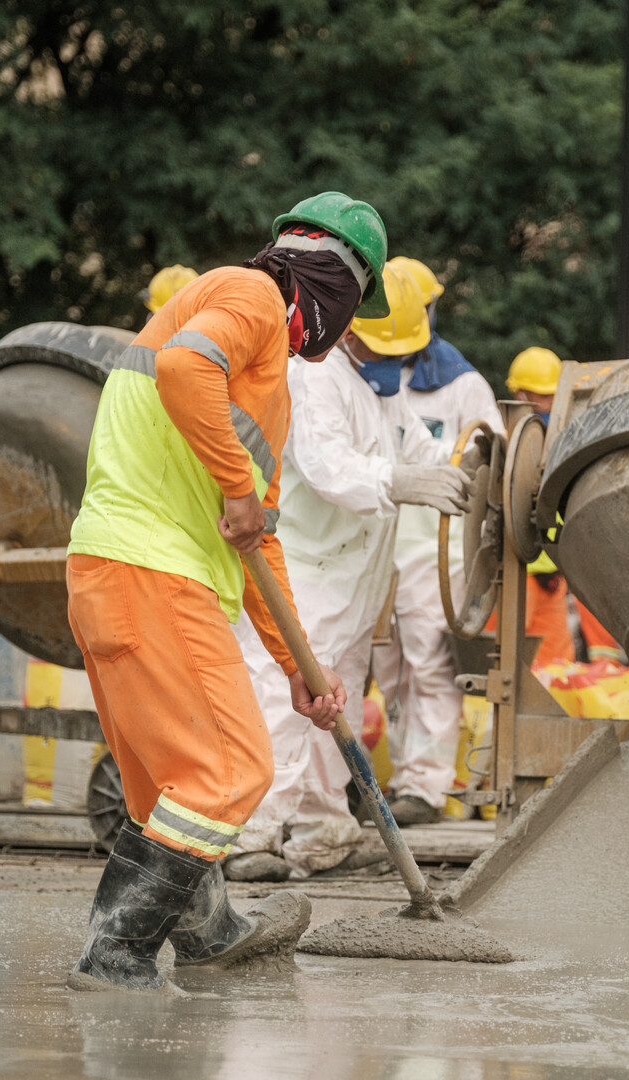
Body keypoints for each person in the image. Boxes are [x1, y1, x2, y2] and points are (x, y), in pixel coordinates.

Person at [63, 192, 384, 992]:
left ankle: (207, 929)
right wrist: (240, 487)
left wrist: (301, 669)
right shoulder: (252, 298)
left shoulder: (257, 377)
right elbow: (184, 367)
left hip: (111, 576)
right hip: (155, 576)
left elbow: (259, 538)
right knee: (233, 770)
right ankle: (115, 955)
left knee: (167, 789)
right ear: (336, 288)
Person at [224, 263, 471, 882]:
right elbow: (324, 465)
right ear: (347, 330)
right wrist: (400, 482)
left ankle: (323, 828)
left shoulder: (379, 388)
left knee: (337, 705)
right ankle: (249, 833)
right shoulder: (312, 375)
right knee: (281, 700)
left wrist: (464, 469)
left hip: (354, 575)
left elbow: (419, 449)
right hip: (304, 568)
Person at [371, 256, 503, 827]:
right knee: (388, 670)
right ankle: (400, 778)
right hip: (378, 548)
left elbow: (494, 463)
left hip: (439, 551)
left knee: (429, 664)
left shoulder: (461, 383)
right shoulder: (372, 375)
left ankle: (423, 787)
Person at [501, 347, 621, 665]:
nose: (551, 405)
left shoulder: (566, 442)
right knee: (505, 660)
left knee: (557, 666)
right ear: (519, 393)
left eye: (555, 396)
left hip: (551, 574)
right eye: (543, 397)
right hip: (513, 574)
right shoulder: (505, 448)